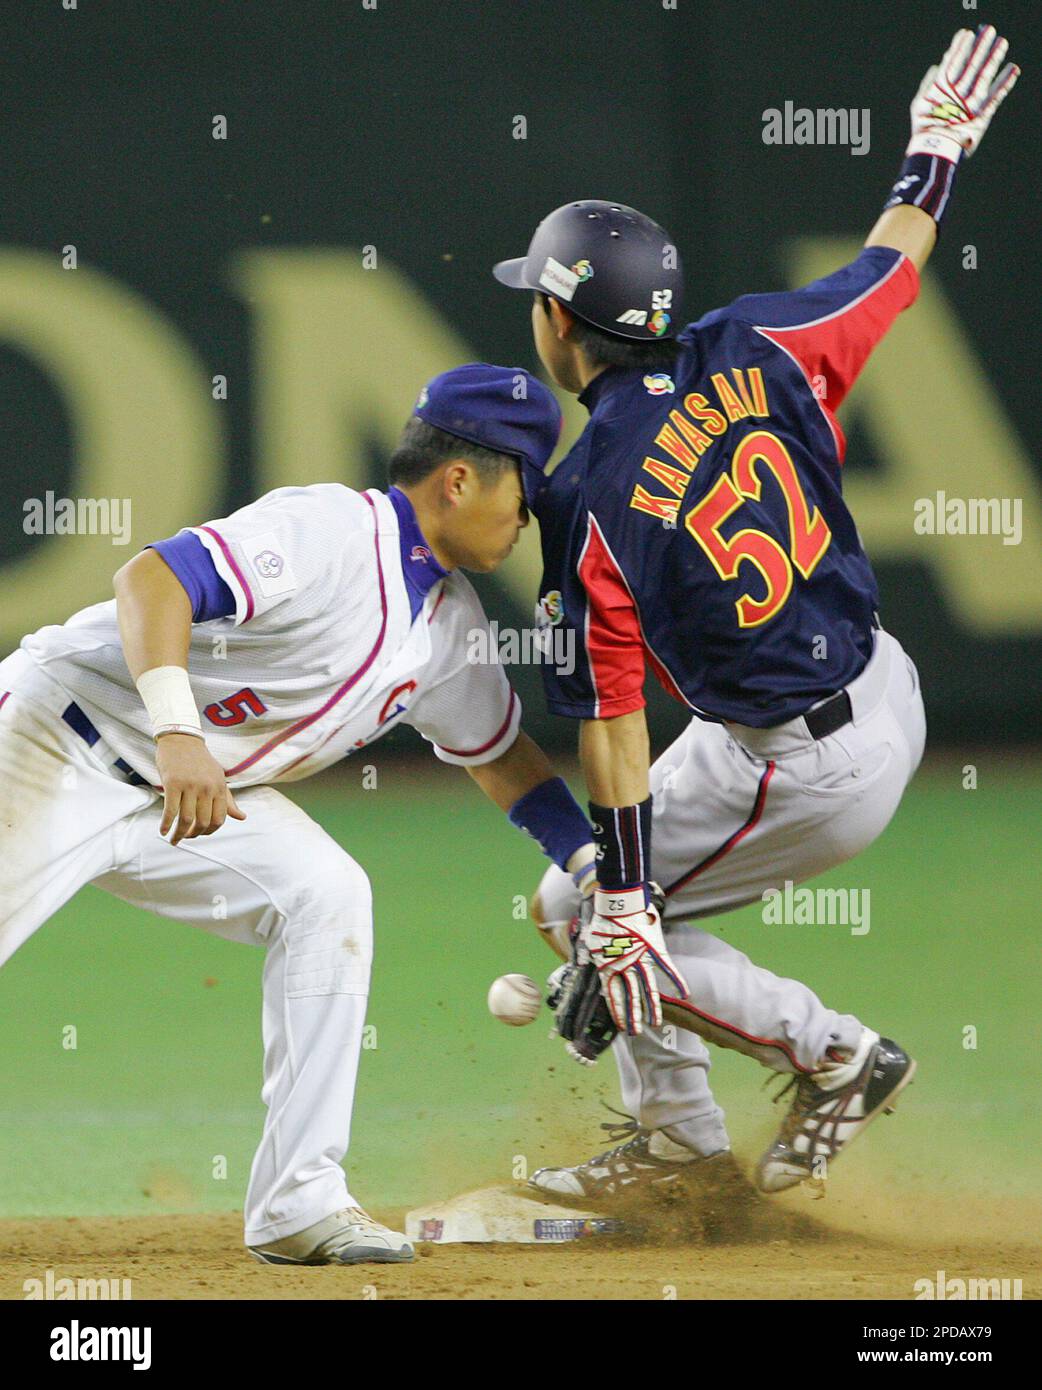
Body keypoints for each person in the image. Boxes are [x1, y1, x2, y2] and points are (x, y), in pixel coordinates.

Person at [489, 26, 1019, 1202]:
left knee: (592, 910)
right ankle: (676, 1137)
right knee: (578, 900)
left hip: (794, 762)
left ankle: (830, 1052)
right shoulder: (759, 339)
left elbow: (615, 723)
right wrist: (932, 153)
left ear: (563, 325)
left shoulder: (590, 496)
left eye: (540, 299)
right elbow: (891, 265)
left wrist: (623, 902)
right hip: (880, 684)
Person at [0, 364, 601, 1264]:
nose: (529, 518)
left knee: (326, 895)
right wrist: (177, 732)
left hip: (185, 797)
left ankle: (299, 1205)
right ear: (460, 477)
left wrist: (595, 866)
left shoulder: (448, 622)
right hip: (58, 740)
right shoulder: (329, 530)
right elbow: (150, 582)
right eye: (525, 489)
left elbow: (502, 759)